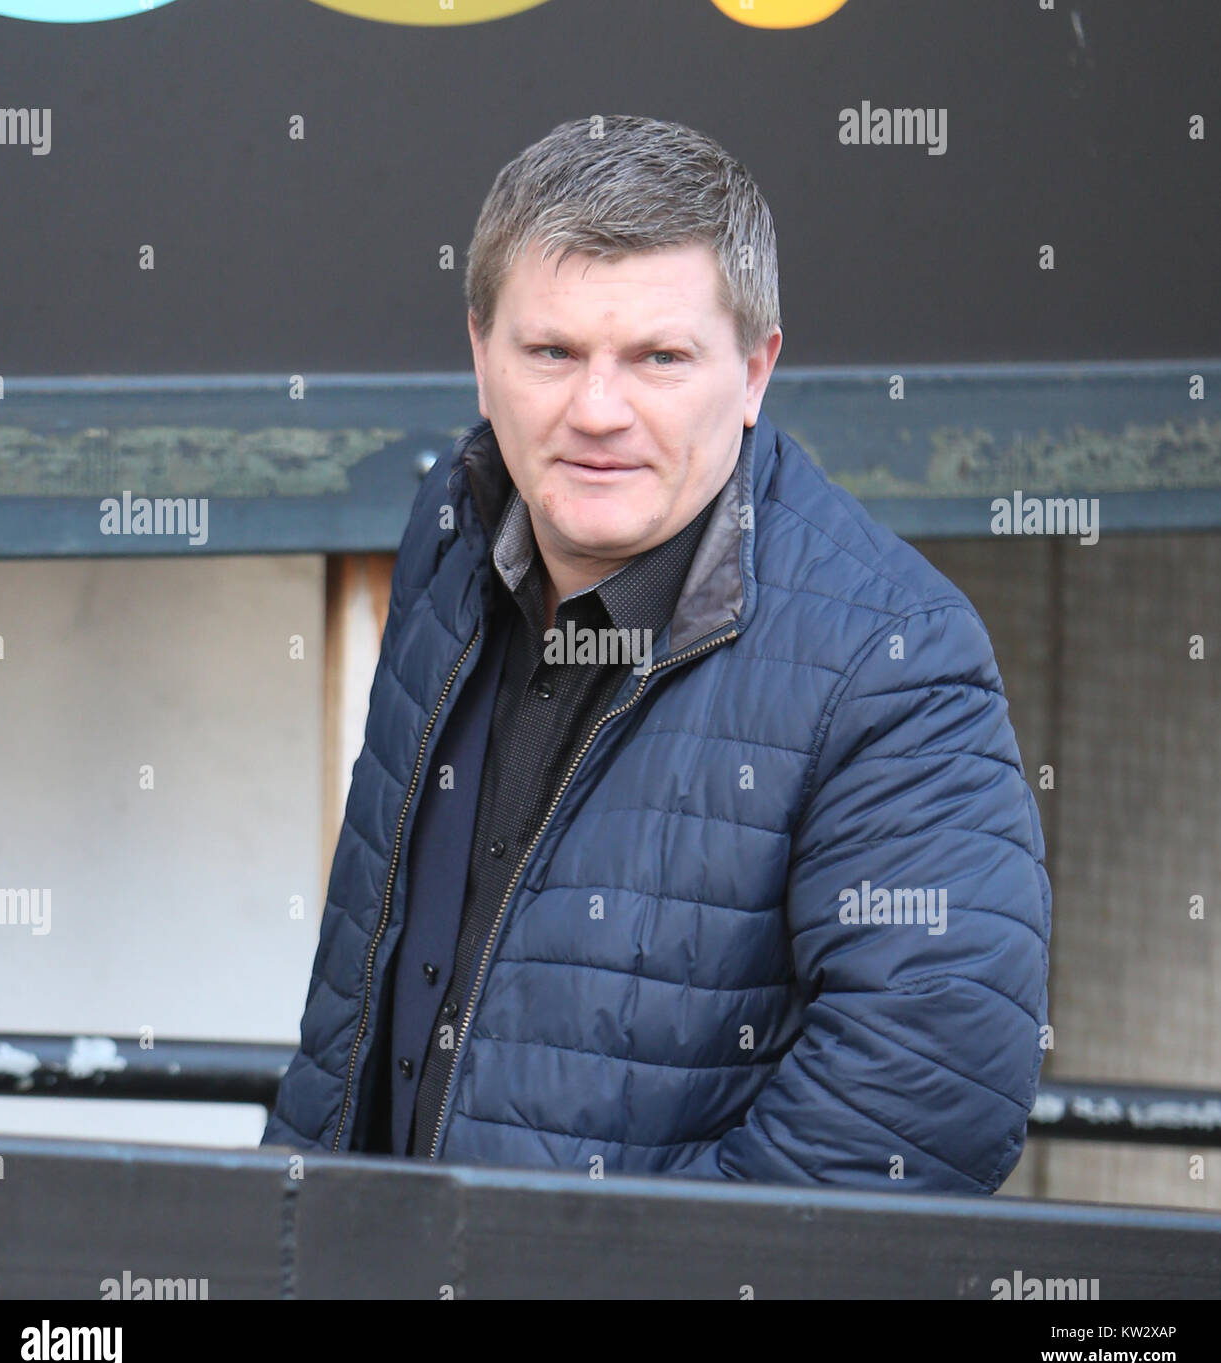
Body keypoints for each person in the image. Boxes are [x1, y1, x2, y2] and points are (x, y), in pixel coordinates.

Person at [261, 115, 1051, 1191]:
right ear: (480, 353)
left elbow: (923, 1098)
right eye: (552, 352)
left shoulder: (893, 655)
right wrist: (288, 1232)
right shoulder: (451, 534)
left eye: (658, 358)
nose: (597, 410)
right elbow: (362, 978)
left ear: (755, 371)